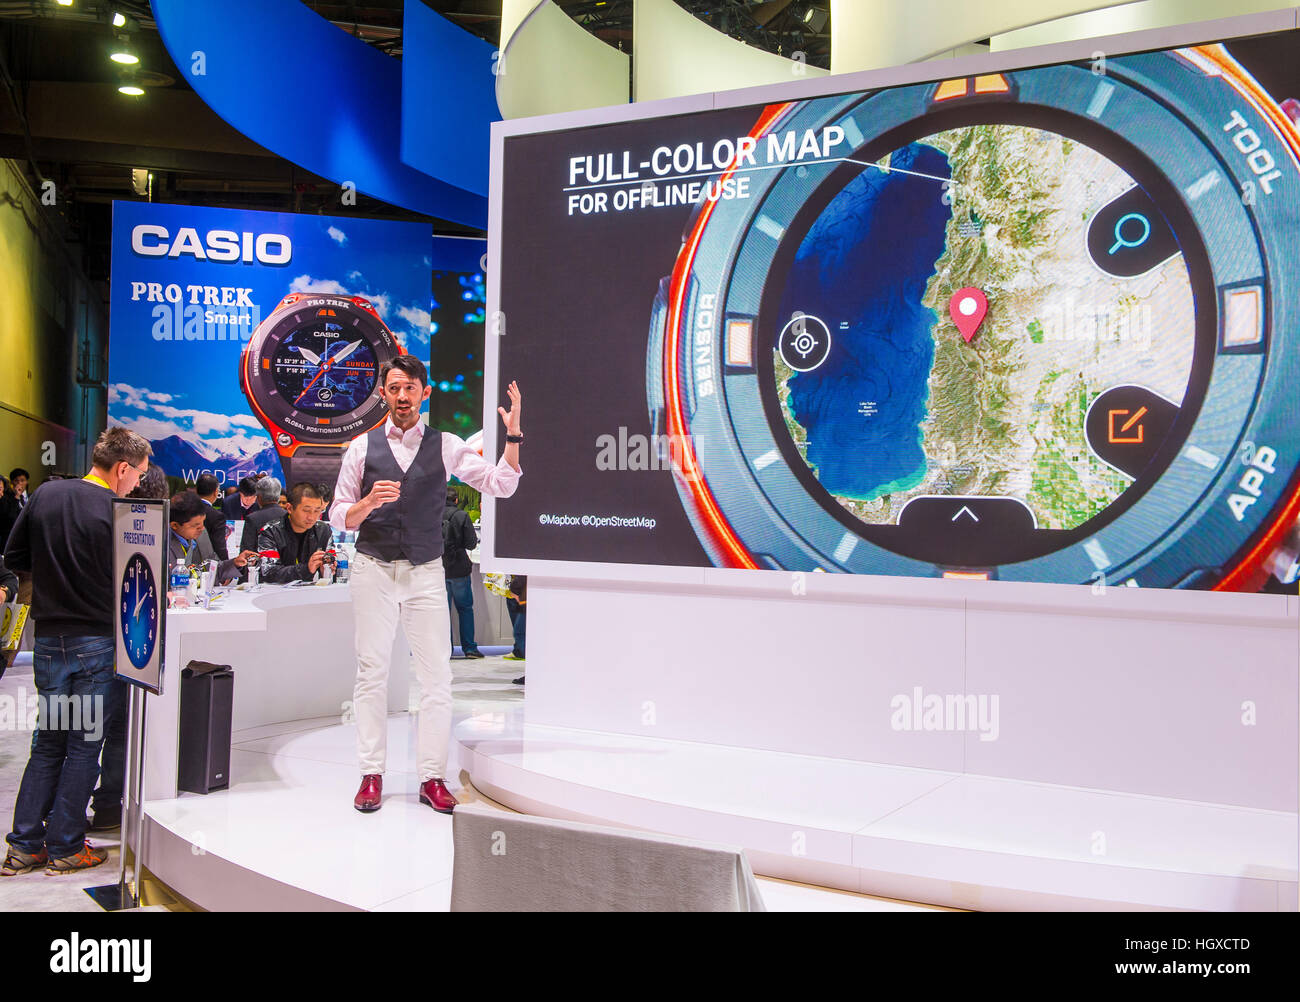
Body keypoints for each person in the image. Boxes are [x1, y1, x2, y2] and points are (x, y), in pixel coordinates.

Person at [330, 356, 523, 814]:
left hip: (426, 572)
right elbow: (338, 514)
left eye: (409, 388)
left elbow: (501, 485)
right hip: (373, 569)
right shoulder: (360, 448)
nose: (401, 396)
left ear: (424, 392)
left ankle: (432, 777)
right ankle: (371, 773)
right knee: (372, 672)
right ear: (383, 393)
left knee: (437, 677)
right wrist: (366, 505)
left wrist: (513, 436)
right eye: (393, 388)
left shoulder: (446, 446)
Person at [2, 427, 151, 876]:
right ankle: (66, 845)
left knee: (47, 743)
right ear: (122, 468)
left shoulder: (45, 495)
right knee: (85, 748)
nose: (139, 484)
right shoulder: (123, 511)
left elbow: (15, 558)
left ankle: (25, 845)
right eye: (138, 475)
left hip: (48, 641)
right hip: (96, 643)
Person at [254, 482, 332, 584]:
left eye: (317, 511)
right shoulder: (270, 531)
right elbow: (269, 573)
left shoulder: (323, 530)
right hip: (274, 595)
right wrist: (306, 568)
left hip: (309, 594)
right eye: (306, 510)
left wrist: (328, 568)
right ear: (289, 508)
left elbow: (332, 564)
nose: (312, 517)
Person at [166, 492, 252, 584]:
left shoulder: (201, 535)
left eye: (203, 522)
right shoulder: (164, 546)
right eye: (196, 525)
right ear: (174, 525)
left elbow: (212, 567)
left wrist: (235, 563)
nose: (202, 528)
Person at [442, 488, 482, 659]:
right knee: (465, 609)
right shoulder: (462, 515)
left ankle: (445, 650)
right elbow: (472, 543)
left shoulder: (433, 515)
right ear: (456, 500)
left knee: (443, 612)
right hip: (460, 568)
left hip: (439, 569)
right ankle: (470, 649)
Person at [239, 476, 286, 553]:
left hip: (261, 563)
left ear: (259, 497)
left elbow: (247, 552)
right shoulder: (289, 516)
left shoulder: (252, 519)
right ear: (278, 496)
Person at [194, 473, 231, 561]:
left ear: (196, 490)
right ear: (216, 492)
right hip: (207, 562)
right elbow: (219, 546)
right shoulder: (217, 516)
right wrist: (227, 566)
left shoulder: (186, 508)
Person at [505, 575, 527, 684]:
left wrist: (514, 588)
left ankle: (535, 671)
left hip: (527, 595)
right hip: (529, 593)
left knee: (520, 632)